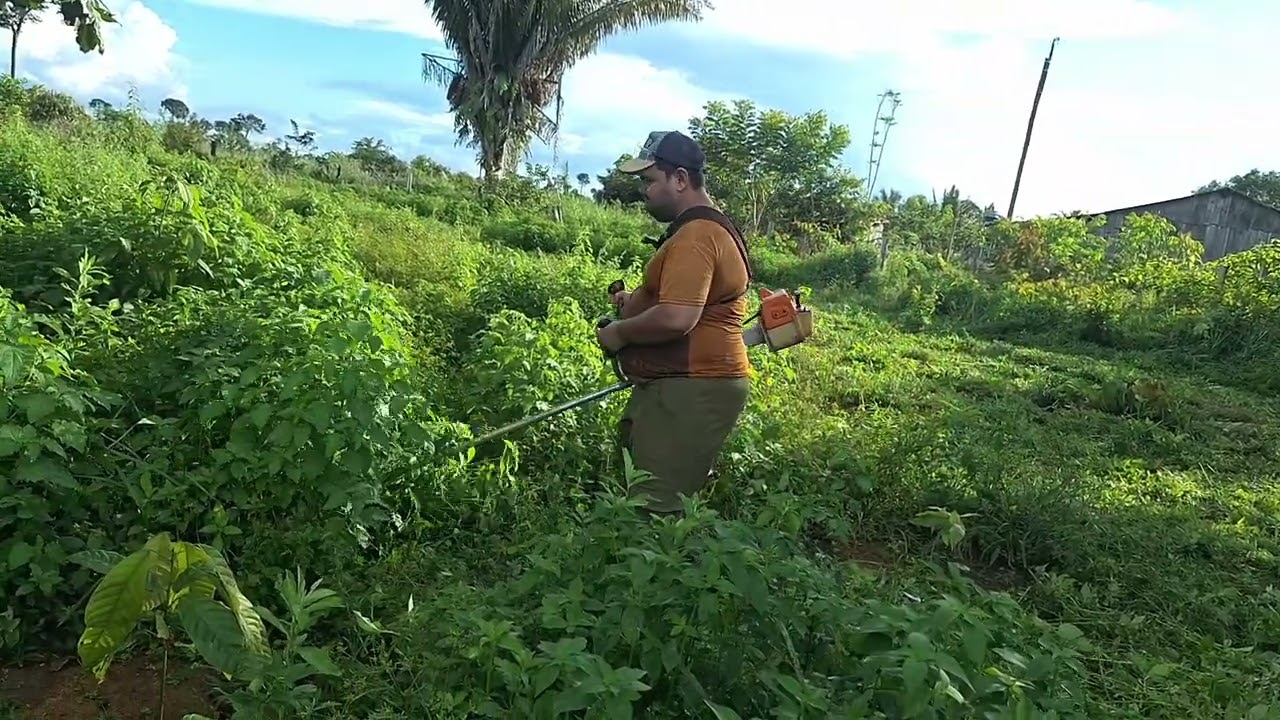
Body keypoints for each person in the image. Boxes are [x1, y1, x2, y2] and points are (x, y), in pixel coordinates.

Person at [594, 130, 753, 516]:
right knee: (644, 489)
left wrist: (617, 333)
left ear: (680, 179)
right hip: (682, 382)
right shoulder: (704, 230)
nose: (644, 191)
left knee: (656, 511)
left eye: (650, 181)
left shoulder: (697, 236)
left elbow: (678, 317)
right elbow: (685, 302)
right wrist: (636, 302)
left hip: (692, 386)